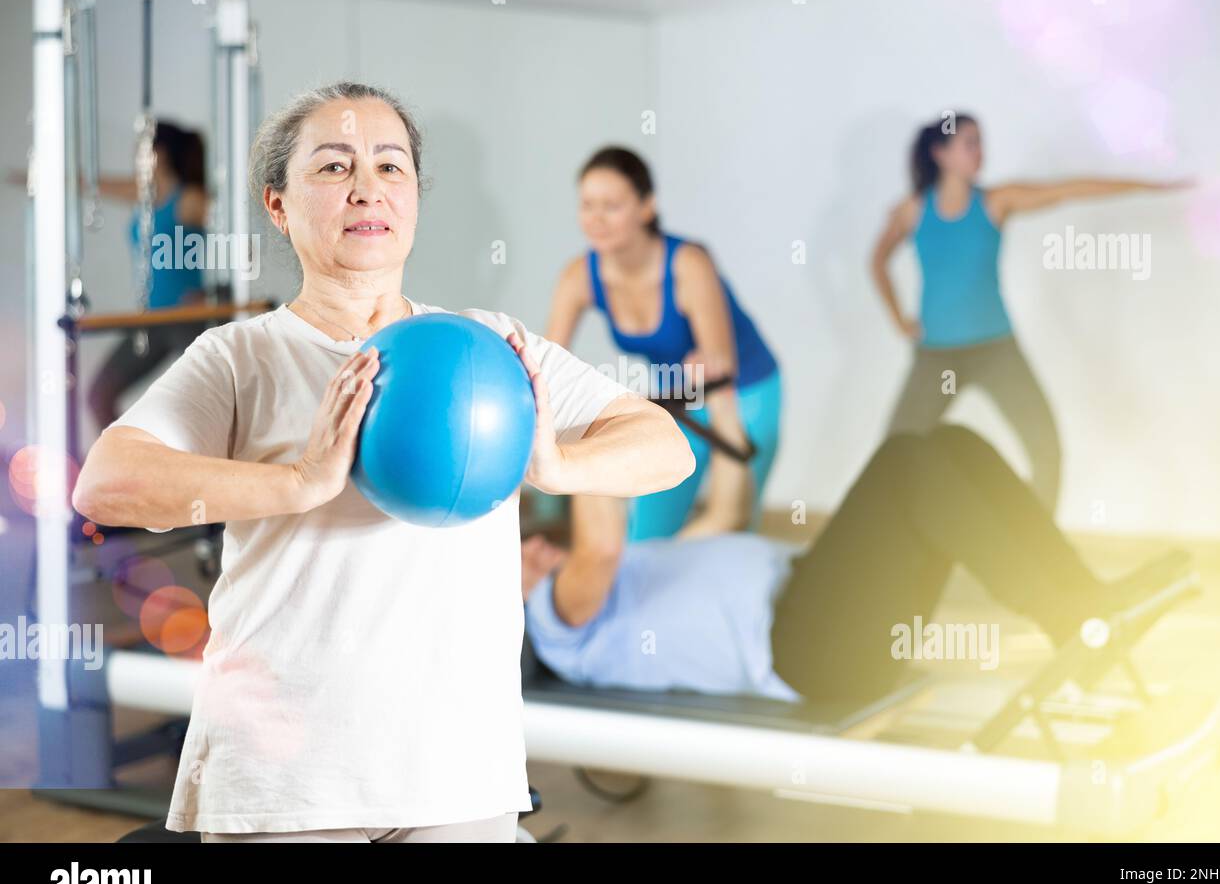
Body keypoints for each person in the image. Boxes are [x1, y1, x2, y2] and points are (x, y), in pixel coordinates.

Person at [72, 82, 695, 843]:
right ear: (277, 205)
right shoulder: (241, 355)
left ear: (414, 200)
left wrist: (555, 464)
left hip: (456, 776)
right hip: (284, 781)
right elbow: (106, 484)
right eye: (334, 168)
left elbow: (665, 448)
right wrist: (299, 481)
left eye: (390, 167)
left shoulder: (492, 348)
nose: (368, 187)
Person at [521, 423, 1189, 705]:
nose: (533, 548)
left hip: (819, 602)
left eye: (529, 537)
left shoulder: (630, 566)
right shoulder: (555, 618)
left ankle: (1082, 603)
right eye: (519, 553)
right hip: (808, 649)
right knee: (907, 462)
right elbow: (599, 544)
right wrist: (576, 429)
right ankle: (1075, 622)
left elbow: (725, 510)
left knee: (946, 443)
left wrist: (710, 407)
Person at [869, 112, 1186, 513]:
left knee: (1046, 449)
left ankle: (1034, 556)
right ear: (941, 154)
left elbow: (1069, 190)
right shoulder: (913, 211)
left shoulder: (997, 202)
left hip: (995, 352)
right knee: (893, 459)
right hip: (937, 359)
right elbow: (877, 260)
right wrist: (898, 318)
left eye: (981, 142)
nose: (980, 152)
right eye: (970, 143)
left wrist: (1152, 186)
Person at [545, 146, 780, 541]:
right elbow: (546, 364)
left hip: (742, 392)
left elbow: (717, 366)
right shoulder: (579, 276)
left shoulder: (689, 264)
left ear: (646, 207)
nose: (596, 219)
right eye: (587, 205)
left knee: (732, 527)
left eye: (611, 206)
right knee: (648, 530)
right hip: (678, 396)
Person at [86, 121, 212, 430]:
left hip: (185, 318)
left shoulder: (190, 199)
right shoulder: (143, 197)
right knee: (99, 396)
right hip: (151, 321)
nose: (134, 155)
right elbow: (91, 185)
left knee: (205, 405)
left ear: (160, 153)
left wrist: (215, 292)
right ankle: (130, 465)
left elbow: (241, 236)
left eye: (140, 149)